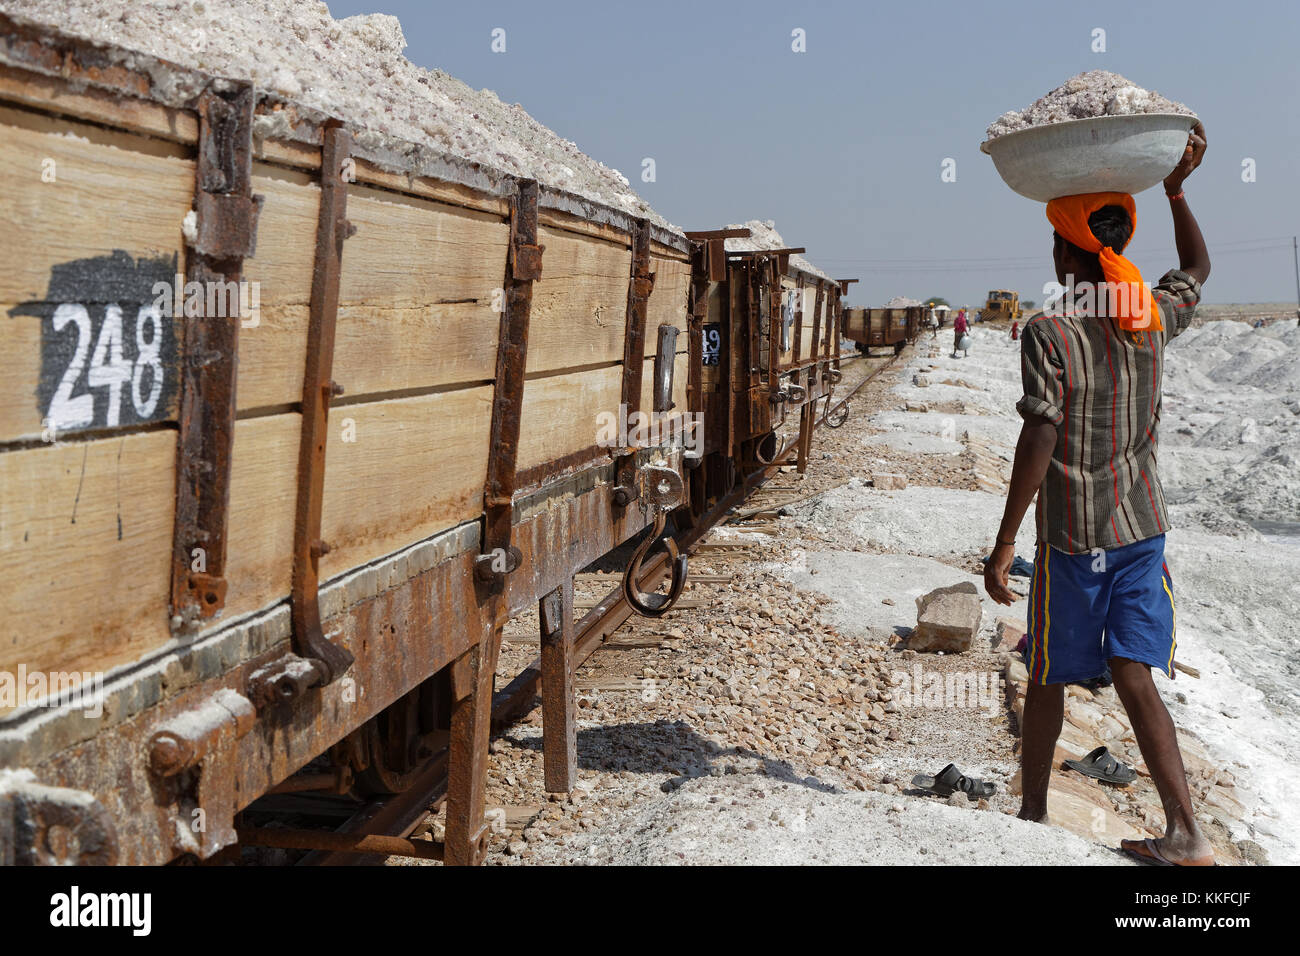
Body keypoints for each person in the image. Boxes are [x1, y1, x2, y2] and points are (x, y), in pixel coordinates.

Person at [983, 122, 1215, 866]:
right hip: (1142, 530)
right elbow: (1198, 268)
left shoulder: (1049, 331)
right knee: (1134, 670)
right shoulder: (1150, 317)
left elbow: (1040, 435)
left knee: (1047, 668)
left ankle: (1033, 809)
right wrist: (1177, 189)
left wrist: (1006, 538)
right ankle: (1185, 832)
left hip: (1076, 538)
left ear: (1063, 249)